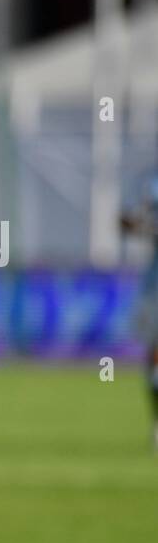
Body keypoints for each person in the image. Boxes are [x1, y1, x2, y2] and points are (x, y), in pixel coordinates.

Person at [120, 170, 158, 451]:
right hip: (154, 286)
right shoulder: (152, 182)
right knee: (153, 356)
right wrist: (134, 224)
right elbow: (130, 223)